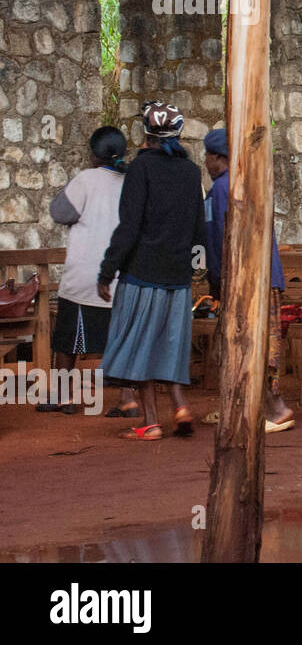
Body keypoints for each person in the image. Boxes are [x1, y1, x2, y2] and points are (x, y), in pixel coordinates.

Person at [97, 101, 206, 440]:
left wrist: (107, 270)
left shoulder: (140, 170)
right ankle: (181, 406)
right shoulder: (191, 173)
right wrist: (198, 269)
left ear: (145, 133)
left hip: (142, 275)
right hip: (177, 278)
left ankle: (150, 422)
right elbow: (198, 229)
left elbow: (128, 227)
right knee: (170, 344)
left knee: (143, 345)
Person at [202, 128, 295, 433]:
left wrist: (216, 281)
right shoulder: (254, 181)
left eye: (208, 156)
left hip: (244, 279)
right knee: (246, 344)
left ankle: (276, 408)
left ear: (219, 158)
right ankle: (239, 407)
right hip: (265, 277)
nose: (205, 162)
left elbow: (218, 239)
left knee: (249, 345)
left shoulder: (221, 188)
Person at [42, 127, 128, 415]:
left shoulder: (85, 180)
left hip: (85, 276)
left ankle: (64, 397)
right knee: (123, 339)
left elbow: (60, 212)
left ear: (93, 154)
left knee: (67, 340)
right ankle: (128, 400)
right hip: (120, 277)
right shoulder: (131, 182)